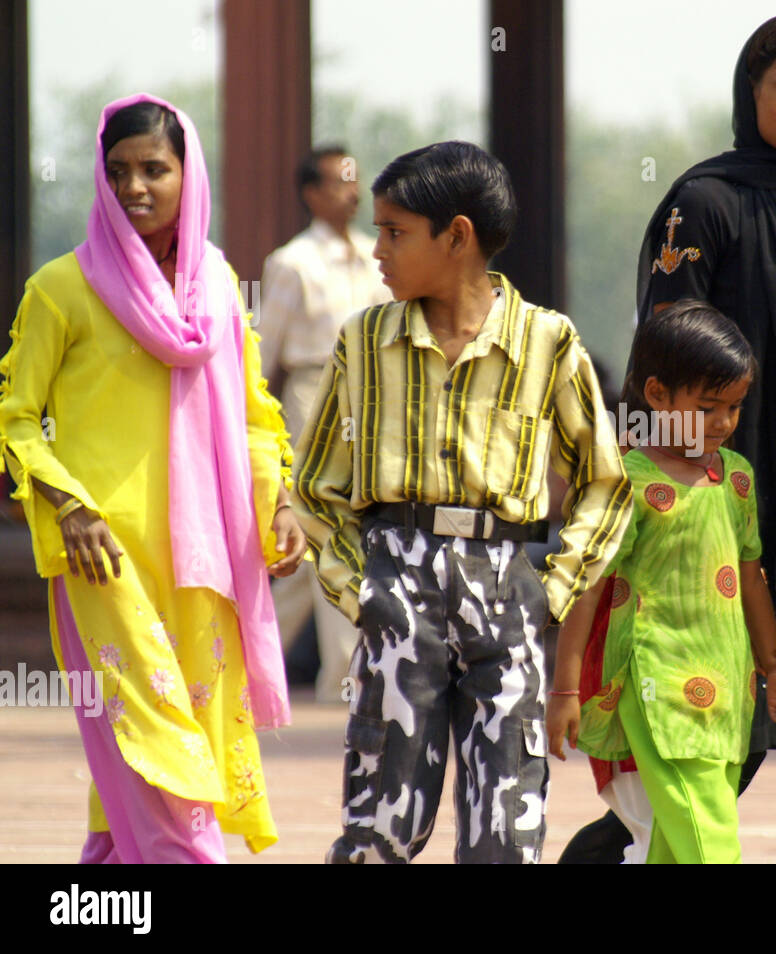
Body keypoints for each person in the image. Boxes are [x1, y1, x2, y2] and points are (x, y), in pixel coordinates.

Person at [562, 8, 776, 866]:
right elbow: (666, 355)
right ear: (752, 96)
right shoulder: (702, 203)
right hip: (717, 504)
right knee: (706, 749)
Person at [294, 141, 631, 864]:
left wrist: (552, 588)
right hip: (396, 579)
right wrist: (364, 591)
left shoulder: (549, 343)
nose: (376, 249)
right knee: (379, 827)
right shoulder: (364, 340)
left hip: (509, 582)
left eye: (394, 232)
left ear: (457, 236)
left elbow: (604, 481)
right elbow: (318, 485)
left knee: (505, 835)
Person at [0, 94, 306, 862]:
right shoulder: (61, 289)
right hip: (105, 559)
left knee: (152, 756)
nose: (136, 186)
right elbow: (15, 416)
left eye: (155, 169)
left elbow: (253, 413)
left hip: (204, 563)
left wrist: (281, 506)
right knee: (157, 740)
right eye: (119, 171)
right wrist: (68, 505)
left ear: (187, 172)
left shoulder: (217, 286)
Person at [547, 300, 776, 864]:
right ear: (658, 395)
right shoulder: (625, 481)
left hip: (727, 694)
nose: (724, 423)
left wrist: (775, 667)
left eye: (735, 408)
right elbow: (588, 587)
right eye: (709, 406)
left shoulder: (736, 478)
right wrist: (566, 691)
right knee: (708, 845)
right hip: (656, 685)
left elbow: (751, 578)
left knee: (671, 847)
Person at [258, 145, 389, 703]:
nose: (353, 192)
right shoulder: (293, 262)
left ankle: (240, 660)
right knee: (330, 533)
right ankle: (347, 679)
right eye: (340, 182)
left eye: (356, 180)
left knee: (320, 547)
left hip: (373, 397)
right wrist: (260, 428)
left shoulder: (376, 252)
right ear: (312, 193)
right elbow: (263, 355)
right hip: (313, 398)